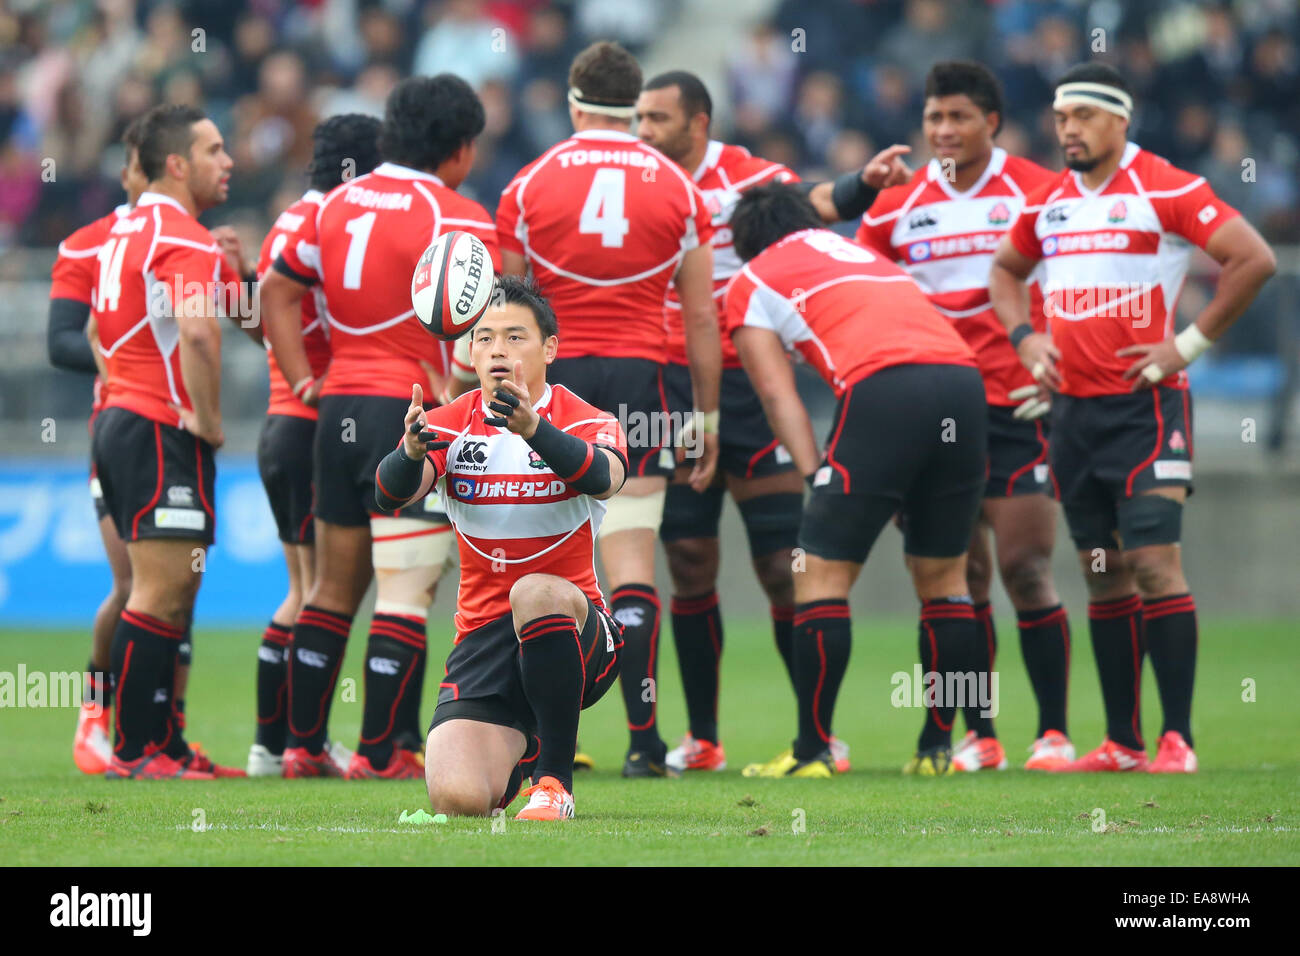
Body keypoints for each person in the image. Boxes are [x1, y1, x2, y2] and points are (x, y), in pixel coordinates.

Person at [989, 63, 1275, 772]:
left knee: (1153, 562)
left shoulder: (1167, 187)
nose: (1068, 131)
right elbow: (1004, 272)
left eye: (1083, 116)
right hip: (1072, 417)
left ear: (1121, 119)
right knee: (1102, 571)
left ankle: (1178, 739)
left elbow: (1254, 258)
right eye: (1060, 119)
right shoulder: (1050, 202)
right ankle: (1122, 741)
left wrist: (1187, 344)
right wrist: (1027, 338)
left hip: (1147, 409)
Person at [635, 69, 910, 773]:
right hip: (672, 391)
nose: (644, 133)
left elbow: (812, 204)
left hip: (754, 385)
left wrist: (863, 183)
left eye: (657, 119)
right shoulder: (635, 182)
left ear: (698, 123)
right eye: (637, 118)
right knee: (689, 563)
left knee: (784, 566)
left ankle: (814, 737)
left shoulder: (750, 177)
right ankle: (702, 738)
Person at [261, 75, 500, 779]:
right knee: (405, 589)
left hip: (335, 407)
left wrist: (303, 376)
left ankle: (302, 747)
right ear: (457, 149)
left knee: (331, 589)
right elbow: (471, 343)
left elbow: (273, 290)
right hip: (410, 416)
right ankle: (380, 751)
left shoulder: (330, 206)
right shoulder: (457, 214)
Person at [494, 41, 721, 777]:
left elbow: (512, 316)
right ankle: (646, 739)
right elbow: (699, 319)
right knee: (631, 558)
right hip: (642, 377)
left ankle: (538, 735)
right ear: (636, 106)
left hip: (554, 380)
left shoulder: (529, 184)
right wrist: (708, 418)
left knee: (537, 556)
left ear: (573, 102)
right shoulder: (680, 187)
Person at [727, 184, 987, 777]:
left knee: (818, 572)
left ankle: (814, 751)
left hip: (884, 389)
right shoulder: (867, 256)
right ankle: (936, 750)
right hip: (963, 385)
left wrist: (814, 469)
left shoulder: (751, 280)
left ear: (747, 246)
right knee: (945, 578)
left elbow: (775, 391)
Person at [856, 61, 1072, 772]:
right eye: (932, 118)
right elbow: (863, 293)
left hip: (1017, 405)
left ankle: (1054, 732)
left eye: (957, 118)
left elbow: (1077, 279)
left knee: (1025, 567)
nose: (943, 131)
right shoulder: (895, 203)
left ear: (993, 124)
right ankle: (977, 732)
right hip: (934, 411)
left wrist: (1058, 364)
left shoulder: (1039, 191)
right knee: (958, 579)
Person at [374, 278, 626, 820]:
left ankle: (554, 782)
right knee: (457, 799)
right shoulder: (448, 423)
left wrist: (534, 429)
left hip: (578, 632)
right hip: (484, 638)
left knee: (533, 591)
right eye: (485, 338)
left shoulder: (588, 419)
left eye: (515, 337)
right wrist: (409, 450)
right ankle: (523, 745)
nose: (498, 351)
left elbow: (605, 476)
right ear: (470, 351)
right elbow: (390, 492)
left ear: (549, 349)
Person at [90, 103, 243, 779]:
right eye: (214, 150)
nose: (228, 160)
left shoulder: (123, 230)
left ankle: (164, 743)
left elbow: (103, 332)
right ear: (177, 164)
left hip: (122, 419)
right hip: (161, 424)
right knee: (157, 593)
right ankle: (134, 748)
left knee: (172, 589)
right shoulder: (182, 234)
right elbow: (202, 333)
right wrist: (208, 421)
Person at [245, 114, 382, 777]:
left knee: (302, 591)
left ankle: (273, 747)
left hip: (279, 426)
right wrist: (309, 381)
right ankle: (302, 742)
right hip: (317, 421)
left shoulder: (288, 220)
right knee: (328, 595)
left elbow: (262, 316)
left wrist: (291, 377)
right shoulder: (347, 221)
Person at [49, 119, 149, 776]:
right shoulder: (88, 244)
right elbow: (59, 342)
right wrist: (123, 366)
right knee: (135, 582)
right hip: (121, 431)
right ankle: (94, 712)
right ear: (134, 171)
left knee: (174, 590)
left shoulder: (193, 242)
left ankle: (158, 731)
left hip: (181, 428)